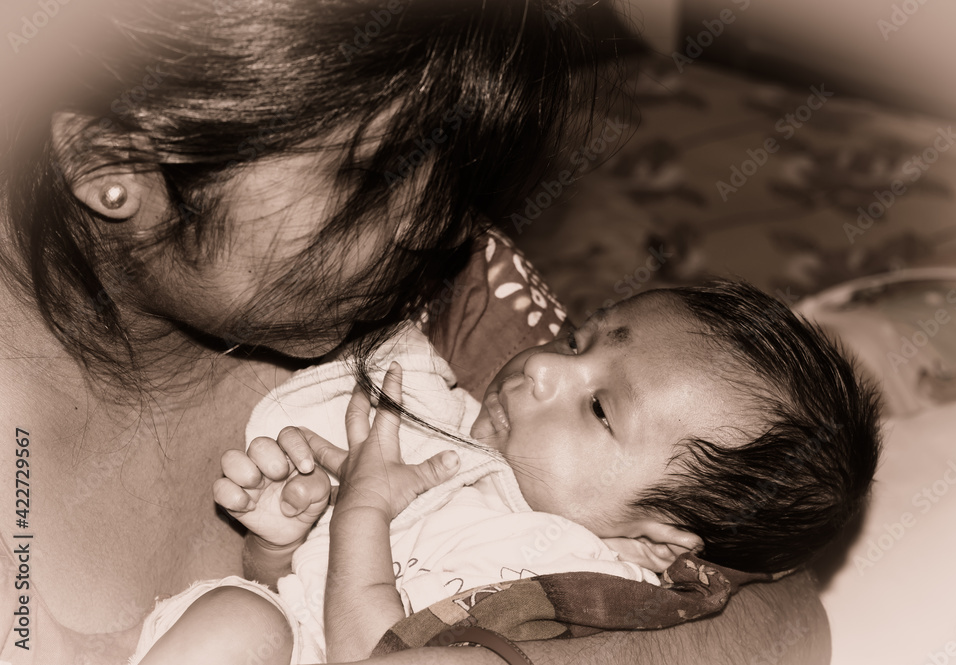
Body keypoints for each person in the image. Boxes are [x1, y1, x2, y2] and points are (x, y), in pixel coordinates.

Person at [0, 1, 833, 663]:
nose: (435, 227)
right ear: (113, 166)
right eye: (380, 170)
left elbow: (779, 602)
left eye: (452, 162)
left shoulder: (433, 302)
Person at [129, 281, 881, 664]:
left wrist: (361, 507)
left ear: (659, 541)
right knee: (240, 618)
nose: (545, 367)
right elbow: (292, 593)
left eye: (599, 409)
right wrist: (279, 538)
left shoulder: (573, 588)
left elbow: (379, 652)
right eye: (577, 339)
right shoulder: (444, 429)